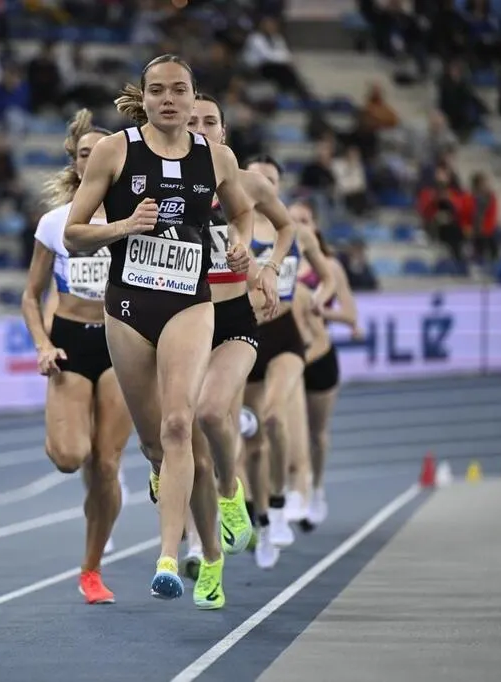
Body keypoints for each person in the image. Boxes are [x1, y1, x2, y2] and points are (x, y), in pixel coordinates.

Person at [63, 54, 262, 603]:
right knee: (156, 443)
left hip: (190, 305)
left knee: (181, 425)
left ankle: (170, 558)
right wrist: (125, 226)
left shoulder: (216, 157)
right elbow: (74, 234)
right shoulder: (115, 150)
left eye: (179, 90)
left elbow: (242, 212)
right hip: (128, 306)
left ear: (194, 97)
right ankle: (163, 474)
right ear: (144, 98)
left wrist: (242, 241)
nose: (169, 99)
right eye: (158, 91)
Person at [173, 93, 301, 589]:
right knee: (183, 444)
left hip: (231, 318)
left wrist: (266, 269)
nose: (201, 128)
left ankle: (231, 492)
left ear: (224, 133)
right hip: (180, 318)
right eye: (194, 120)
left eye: (211, 122)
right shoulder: (169, 181)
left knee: (209, 415)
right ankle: (201, 552)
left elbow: (286, 226)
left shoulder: (246, 183)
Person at [21, 109, 134, 605]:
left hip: (121, 342)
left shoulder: (134, 215)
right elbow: (30, 296)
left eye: (101, 153)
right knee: (71, 457)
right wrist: (44, 345)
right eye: (85, 153)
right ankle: (97, 479)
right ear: (76, 161)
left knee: (106, 465)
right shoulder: (55, 223)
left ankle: (91, 570)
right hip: (69, 340)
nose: (94, 160)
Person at [242, 158, 335, 570]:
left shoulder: (294, 233)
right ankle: (263, 518)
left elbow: (328, 275)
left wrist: (319, 296)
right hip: (244, 339)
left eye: (270, 180)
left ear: (278, 186)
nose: (261, 185)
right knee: (253, 441)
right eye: (254, 178)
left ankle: (280, 506)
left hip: (284, 338)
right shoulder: (234, 226)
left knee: (275, 417)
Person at [291, 221, 360, 531]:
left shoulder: (329, 266)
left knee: (317, 434)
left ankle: (316, 488)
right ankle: (297, 493)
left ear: (314, 226)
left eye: (305, 219)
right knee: (287, 429)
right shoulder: (280, 257)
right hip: (287, 353)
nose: (297, 224)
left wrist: (317, 310)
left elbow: (349, 315)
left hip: (319, 355)